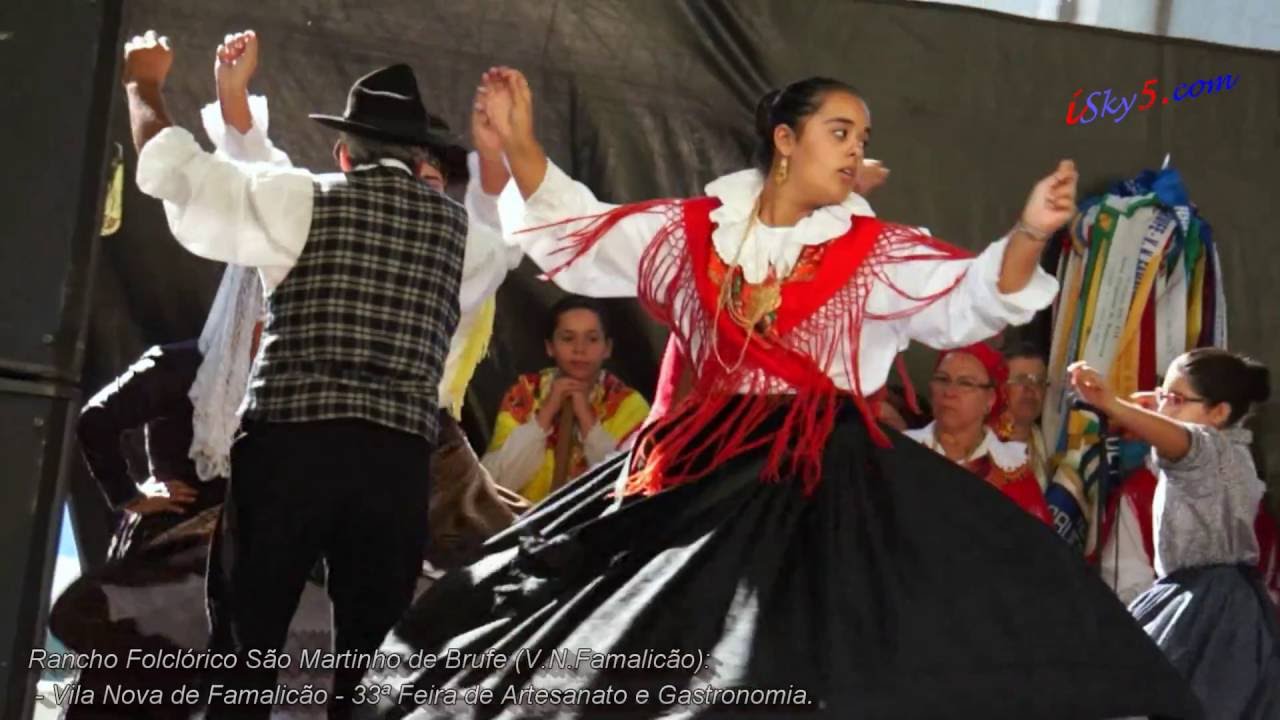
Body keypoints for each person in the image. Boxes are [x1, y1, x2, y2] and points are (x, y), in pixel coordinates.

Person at [361, 69, 1200, 719]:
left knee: (816, 656)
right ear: (785, 139)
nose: (854, 148)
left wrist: (1026, 235)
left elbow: (967, 294)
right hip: (698, 475)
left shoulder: (870, 253)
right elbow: (581, 234)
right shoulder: (695, 233)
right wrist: (522, 143)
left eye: (861, 136)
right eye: (839, 130)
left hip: (819, 479)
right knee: (642, 638)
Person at [122, 28, 506, 718]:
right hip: (394, 463)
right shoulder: (472, 241)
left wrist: (142, 85)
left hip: (290, 449)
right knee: (371, 670)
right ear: (423, 159)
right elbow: (267, 187)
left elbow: (183, 176)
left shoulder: (303, 200)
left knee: (248, 654)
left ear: (342, 153)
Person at [49, 259, 260, 718]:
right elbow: (96, 421)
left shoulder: (289, 386)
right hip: (171, 552)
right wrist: (131, 495)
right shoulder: (184, 364)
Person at [1071, 348, 1279, 718]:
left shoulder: (1210, 448)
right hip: (1211, 598)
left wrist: (1111, 403)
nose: (1164, 406)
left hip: (1209, 606)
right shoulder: (1232, 448)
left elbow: (1187, 440)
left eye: (1177, 399)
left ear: (1219, 412)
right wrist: (1163, 404)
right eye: (1164, 393)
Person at [481, 295, 650, 504]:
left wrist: (587, 420)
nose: (580, 349)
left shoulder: (628, 404)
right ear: (550, 346)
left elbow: (630, 487)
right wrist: (546, 414)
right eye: (568, 338)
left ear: (607, 348)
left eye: (592, 339)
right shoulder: (523, 394)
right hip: (522, 522)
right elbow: (497, 484)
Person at [905, 343, 1053, 524]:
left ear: (990, 399)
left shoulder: (1013, 471)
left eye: (965, 383)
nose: (949, 392)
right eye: (942, 379)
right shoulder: (901, 450)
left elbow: (1037, 546)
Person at [997, 340, 1053, 488]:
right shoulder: (981, 442)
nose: (1031, 388)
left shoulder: (1047, 440)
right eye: (1021, 380)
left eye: (1038, 381)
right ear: (999, 387)